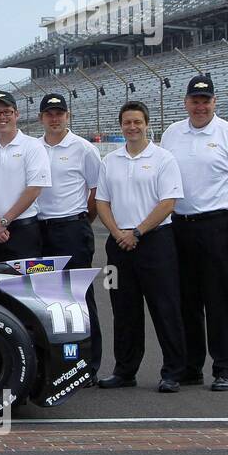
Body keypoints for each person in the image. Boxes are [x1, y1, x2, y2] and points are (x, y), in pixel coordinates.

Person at [160, 74, 228, 391]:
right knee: (185, 301)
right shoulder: (172, 134)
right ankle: (191, 367)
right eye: (195, 100)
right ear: (186, 102)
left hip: (216, 225)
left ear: (214, 102)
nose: (200, 106)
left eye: (205, 100)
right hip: (179, 225)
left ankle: (225, 369)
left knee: (218, 300)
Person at [94, 101, 188, 393]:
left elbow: (168, 202)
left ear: (147, 124)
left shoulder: (163, 159)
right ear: (120, 126)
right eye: (127, 122)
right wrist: (118, 233)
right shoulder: (110, 160)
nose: (132, 127)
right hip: (118, 245)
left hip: (155, 241)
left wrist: (136, 231)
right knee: (123, 309)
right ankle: (125, 370)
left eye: (137, 122)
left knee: (165, 307)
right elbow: (102, 202)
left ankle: (173, 371)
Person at [35, 93, 104, 379]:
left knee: (80, 299)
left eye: (59, 113)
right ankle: (57, 363)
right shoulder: (33, 148)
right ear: (41, 118)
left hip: (72, 229)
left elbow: (97, 191)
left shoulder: (83, 148)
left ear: (67, 116)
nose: (54, 118)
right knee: (47, 301)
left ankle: (89, 365)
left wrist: (79, 220)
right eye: (49, 114)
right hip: (39, 230)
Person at [0, 90, 51, 267]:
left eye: (7, 112)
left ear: (16, 114)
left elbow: (34, 189)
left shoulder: (33, 146)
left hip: (23, 231)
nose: (2, 117)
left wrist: (4, 221)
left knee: (24, 291)